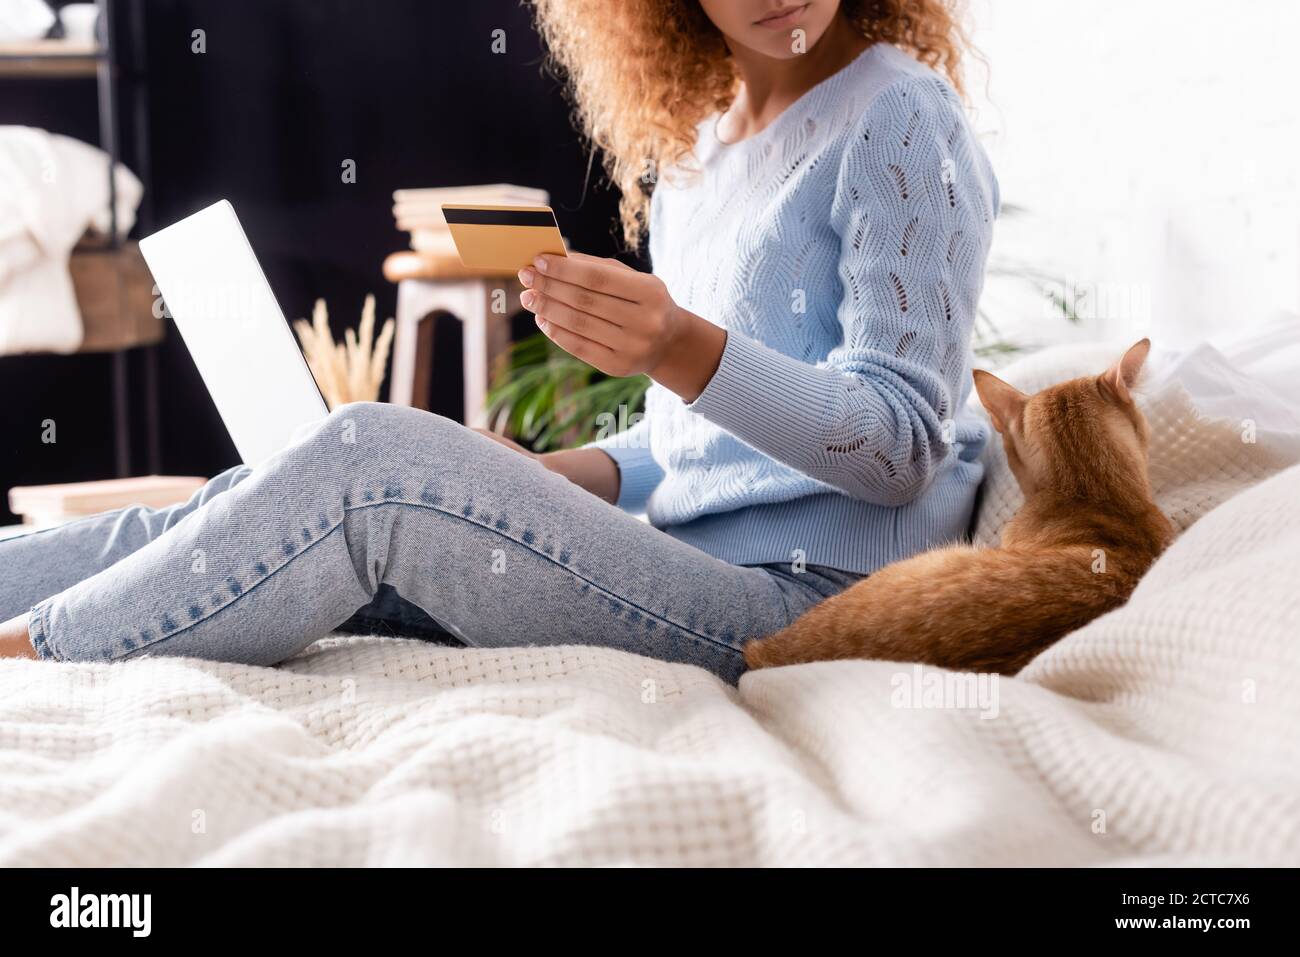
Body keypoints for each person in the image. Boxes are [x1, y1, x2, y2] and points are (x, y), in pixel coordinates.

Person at [0, 0, 997, 683]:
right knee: (261, 494)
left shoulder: (899, 117)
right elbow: (703, 447)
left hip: (808, 608)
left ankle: (34, 659)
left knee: (369, 461)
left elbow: (900, 446)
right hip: (686, 563)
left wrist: (675, 345)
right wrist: (548, 473)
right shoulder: (709, 145)